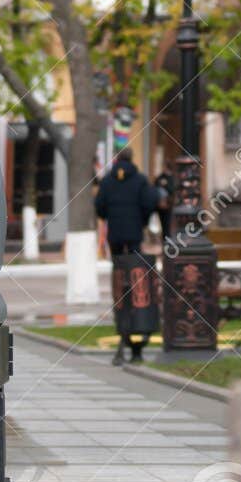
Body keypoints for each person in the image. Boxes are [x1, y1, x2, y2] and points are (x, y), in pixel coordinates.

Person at [94, 150, 163, 365]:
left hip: (115, 235)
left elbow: (99, 206)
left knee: (119, 275)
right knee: (136, 274)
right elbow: (150, 201)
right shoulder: (140, 179)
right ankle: (137, 310)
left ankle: (122, 311)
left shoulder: (107, 181)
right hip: (133, 234)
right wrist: (142, 220)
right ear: (131, 160)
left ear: (116, 161)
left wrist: (109, 216)